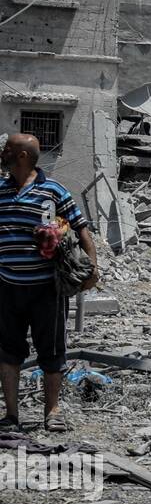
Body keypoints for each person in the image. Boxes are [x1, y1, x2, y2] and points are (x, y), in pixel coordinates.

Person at [0, 133, 98, 432]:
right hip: (6, 287)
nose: (2, 153)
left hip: (47, 289)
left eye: (7, 149)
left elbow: (82, 231)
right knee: (7, 352)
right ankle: (11, 416)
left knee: (52, 352)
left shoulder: (53, 191)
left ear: (22, 156)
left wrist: (92, 269)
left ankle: (52, 412)